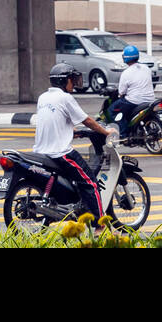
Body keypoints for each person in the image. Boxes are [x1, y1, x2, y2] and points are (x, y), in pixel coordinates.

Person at [34, 62, 110, 222]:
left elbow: (54, 120)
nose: (74, 83)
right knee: (90, 182)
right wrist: (106, 131)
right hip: (61, 153)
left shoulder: (43, 97)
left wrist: (70, 132)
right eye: (72, 79)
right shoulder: (65, 97)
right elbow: (87, 121)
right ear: (64, 81)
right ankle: (99, 225)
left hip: (41, 152)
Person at [108, 45, 154, 140]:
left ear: (125, 58)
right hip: (150, 100)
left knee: (112, 111)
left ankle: (124, 134)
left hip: (134, 101)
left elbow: (121, 92)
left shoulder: (126, 73)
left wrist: (120, 94)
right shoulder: (146, 68)